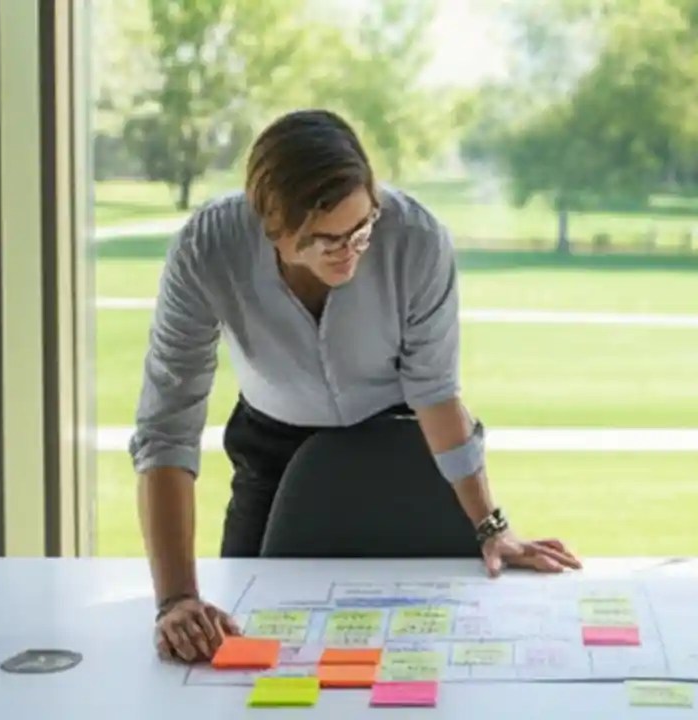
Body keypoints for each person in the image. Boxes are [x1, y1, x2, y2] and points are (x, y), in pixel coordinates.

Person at [130, 109, 581, 663]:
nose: (349, 251)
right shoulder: (207, 249)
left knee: (430, 642)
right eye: (325, 240)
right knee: (241, 643)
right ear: (272, 225)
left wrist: (492, 525)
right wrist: (176, 599)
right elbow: (167, 427)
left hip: (403, 441)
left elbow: (435, 392)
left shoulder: (416, 239)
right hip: (272, 448)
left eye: (361, 230)